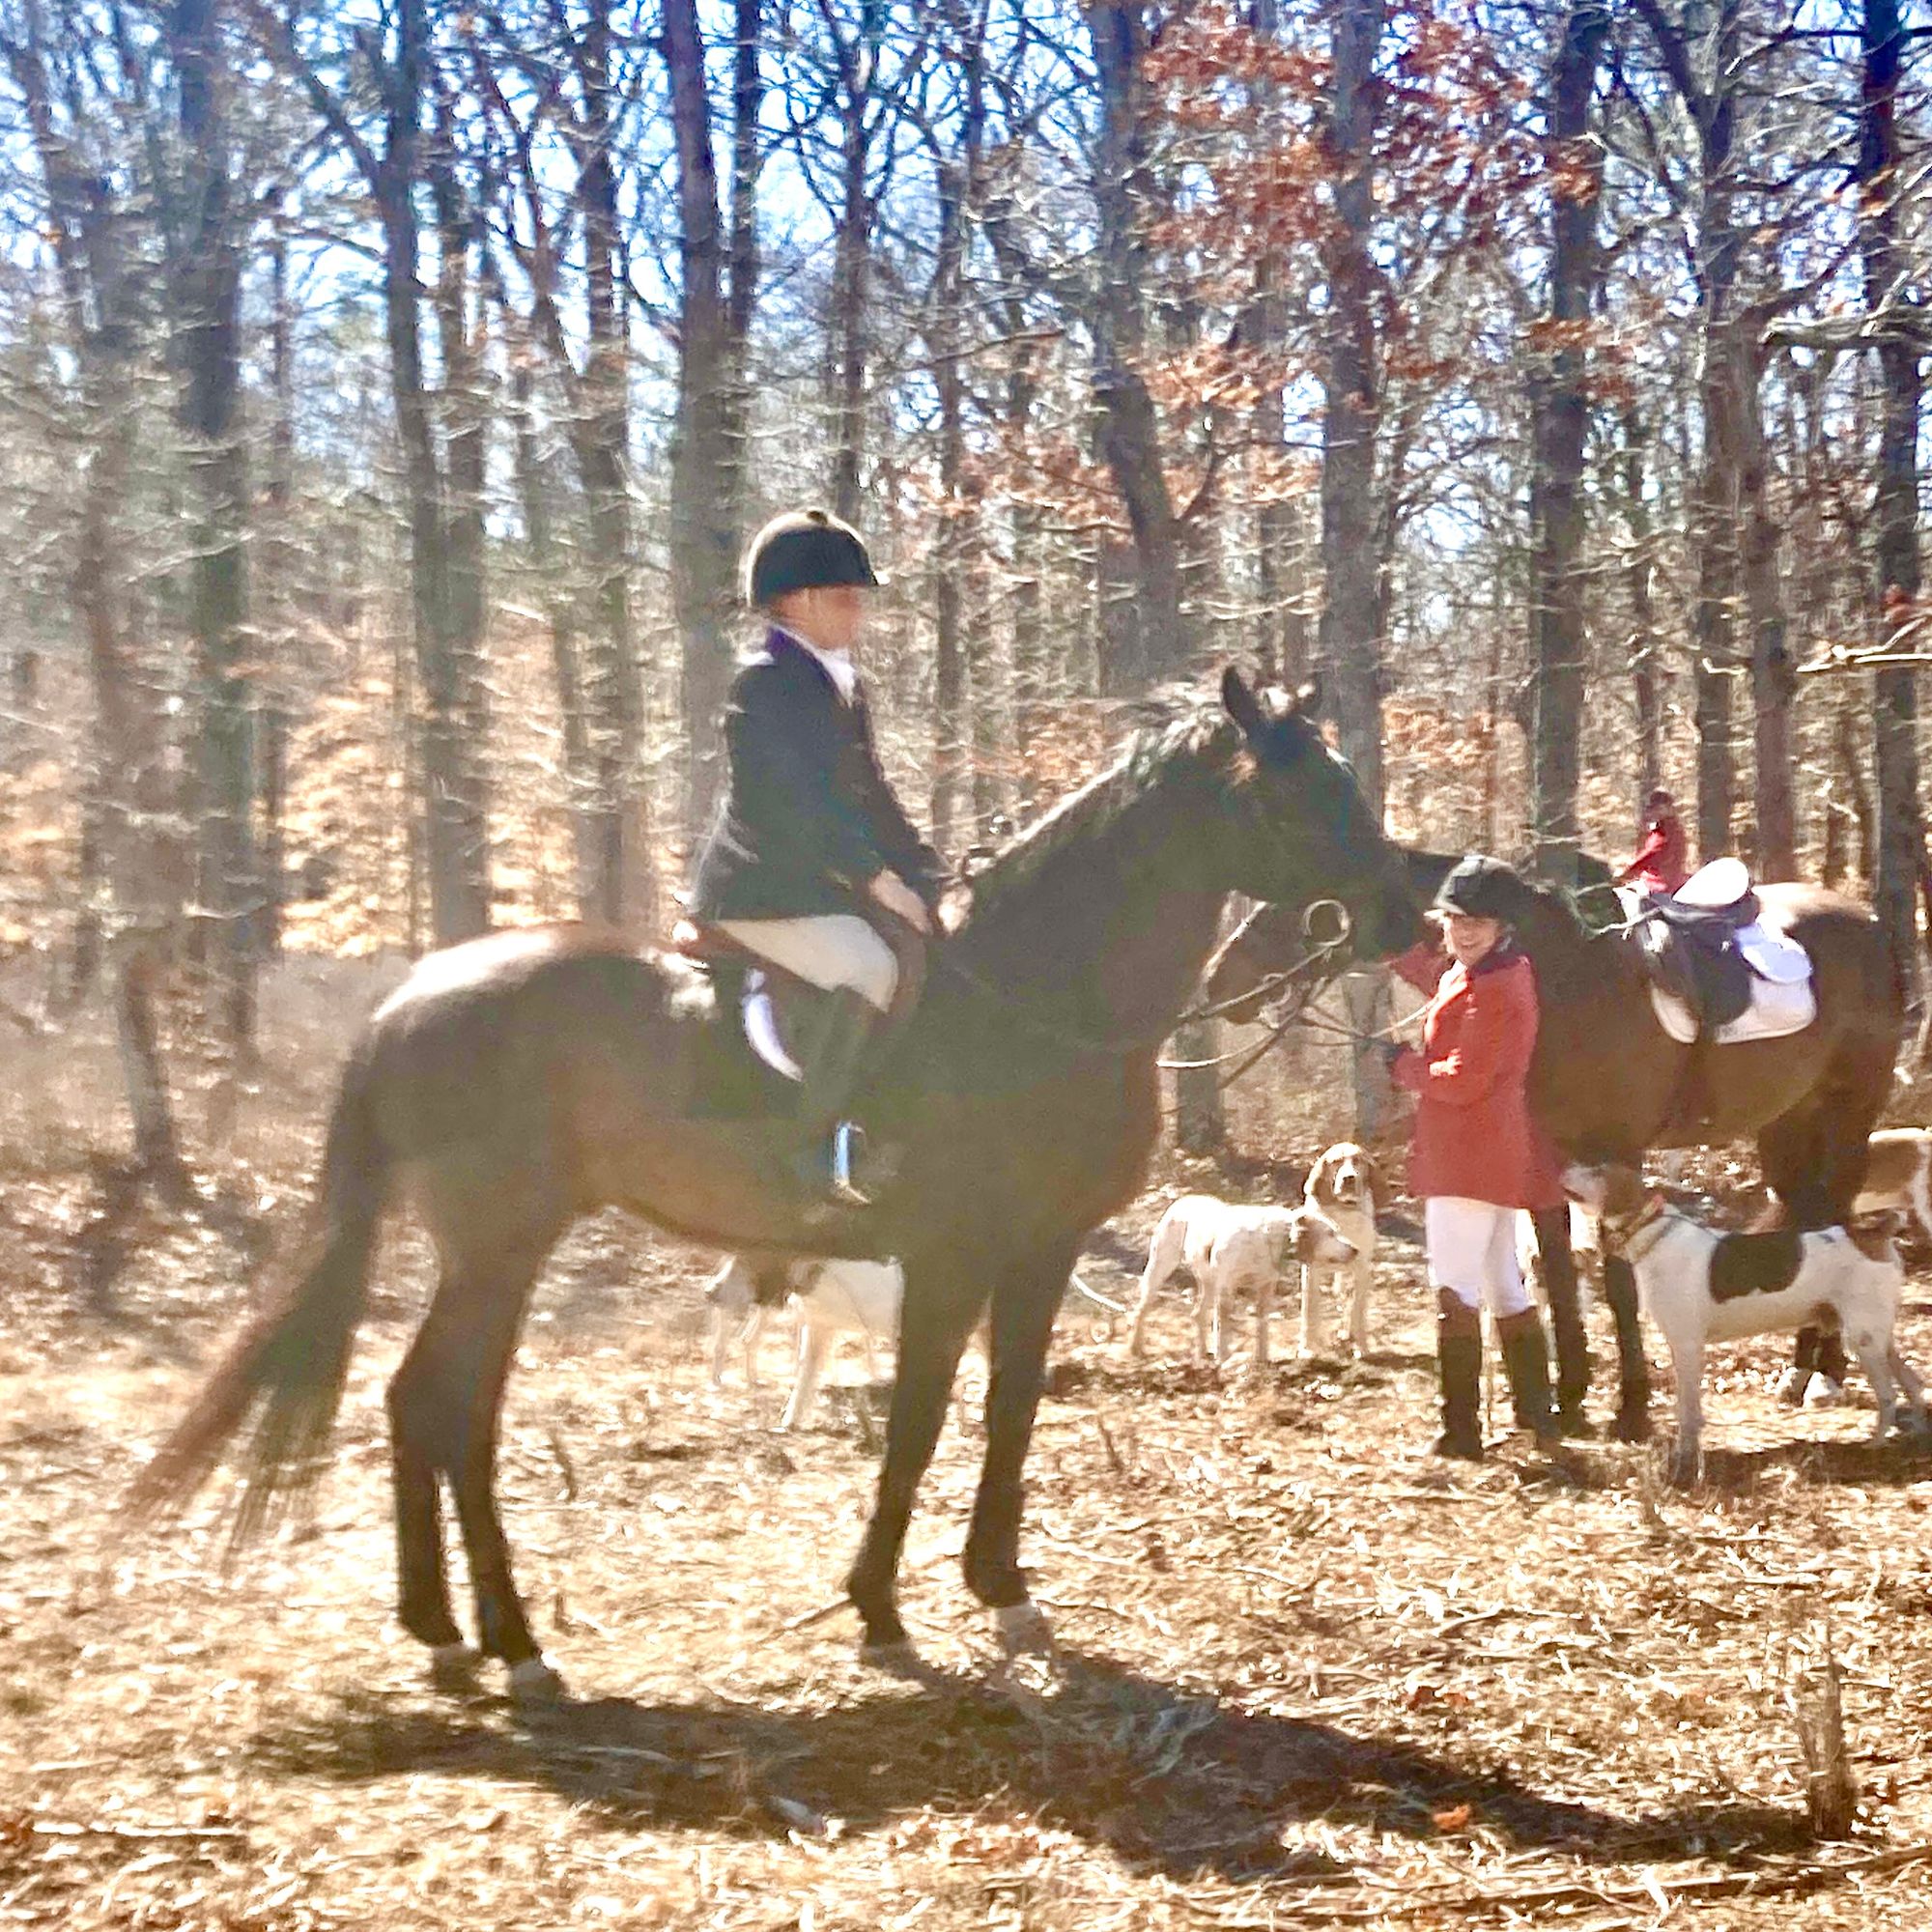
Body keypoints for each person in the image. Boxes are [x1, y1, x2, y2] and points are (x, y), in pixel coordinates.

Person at [690, 507, 945, 1206]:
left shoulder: (841, 684)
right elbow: (795, 807)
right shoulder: (764, 683)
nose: (858, 611)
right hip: (759, 888)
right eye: (844, 596)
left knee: (934, 943)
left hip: (816, 883)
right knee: (868, 965)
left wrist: (929, 877)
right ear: (798, 602)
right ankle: (809, 1151)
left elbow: (873, 796)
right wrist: (877, 879)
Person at [1384, 856, 1563, 1460]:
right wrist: (1386, 946)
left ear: (1502, 927)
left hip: (1466, 1154)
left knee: (1454, 1290)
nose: (1464, 932)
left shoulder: (1495, 987)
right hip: (1491, 1152)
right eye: (1456, 919)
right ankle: (1540, 1420)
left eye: (1479, 923)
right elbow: (1436, 973)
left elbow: (1462, 1079)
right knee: (1504, 1287)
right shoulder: (1483, 972)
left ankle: (1461, 1432)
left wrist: (1402, 1068)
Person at [1618, 787, 1690, 897]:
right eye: (1653, 808)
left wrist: (1626, 873)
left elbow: (1651, 855)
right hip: (1667, 882)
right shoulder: (1671, 828)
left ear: (1669, 808)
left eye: (1659, 808)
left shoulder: (1666, 831)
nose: (1655, 812)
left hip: (1659, 885)